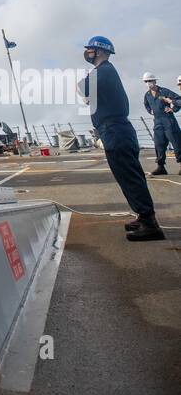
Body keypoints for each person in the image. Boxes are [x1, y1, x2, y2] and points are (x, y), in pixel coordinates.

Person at [78, 36, 163, 241]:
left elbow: (82, 88)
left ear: (98, 51)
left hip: (115, 131)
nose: (87, 52)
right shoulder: (106, 72)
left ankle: (150, 224)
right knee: (128, 176)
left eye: (90, 49)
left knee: (130, 177)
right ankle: (143, 217)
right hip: (116, 130)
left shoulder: (103, 70)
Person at [142, 73, 181, 177]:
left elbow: (179, 100)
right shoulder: (147, 95)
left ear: (155, 81)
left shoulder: (164, 91)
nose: (148, 83)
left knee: (176, 143)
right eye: (146, 81)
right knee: (159, 144)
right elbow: (146, 105)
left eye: (150, 81)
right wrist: (150, 112)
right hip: (158, 122)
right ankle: (161, 167)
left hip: (168, 121)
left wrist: (173, 109)